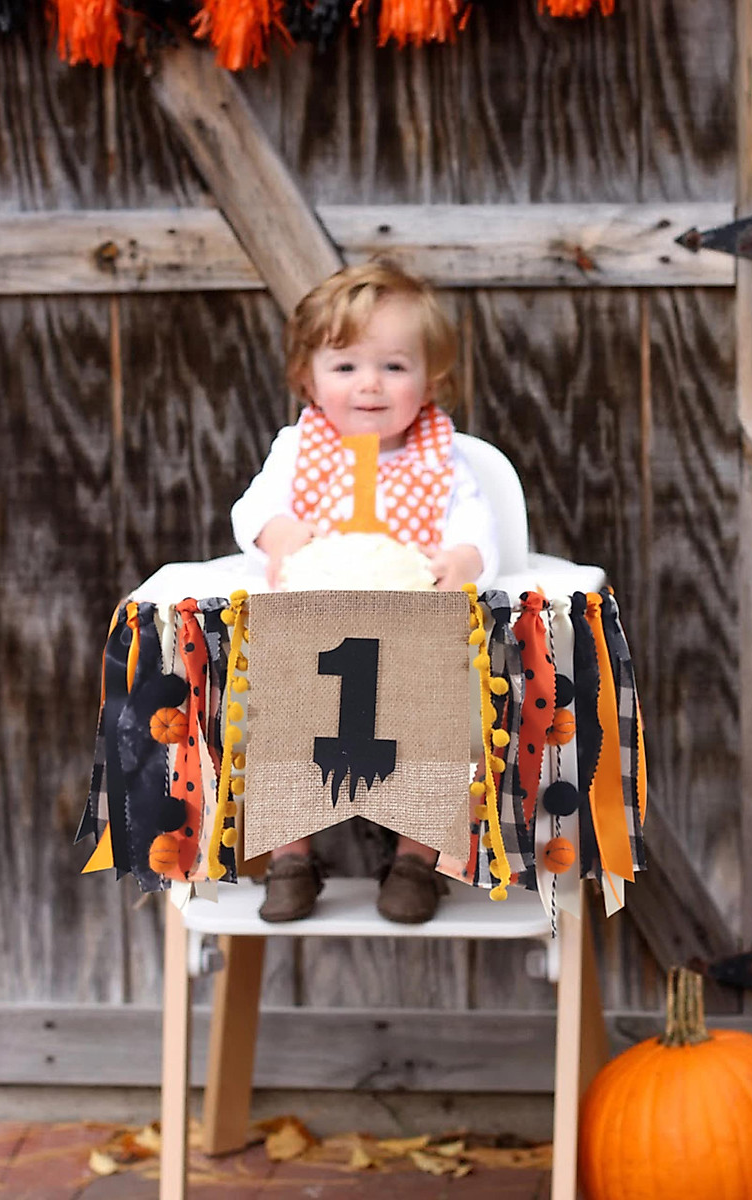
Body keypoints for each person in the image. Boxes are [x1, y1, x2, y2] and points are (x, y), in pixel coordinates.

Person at [231, 260, 498, 924]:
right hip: (311, 635)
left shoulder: (442, 458)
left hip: (410, 633)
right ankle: (291, 856)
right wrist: (276, 532)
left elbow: (476, 526)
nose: (369, 384)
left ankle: (414, 859)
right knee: (279, 717)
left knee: (436, 722)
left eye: (394, 366)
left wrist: (464, 558)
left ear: (431, 380)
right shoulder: (298, 449)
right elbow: (252, 511)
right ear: (308, 378)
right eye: (346, 366)